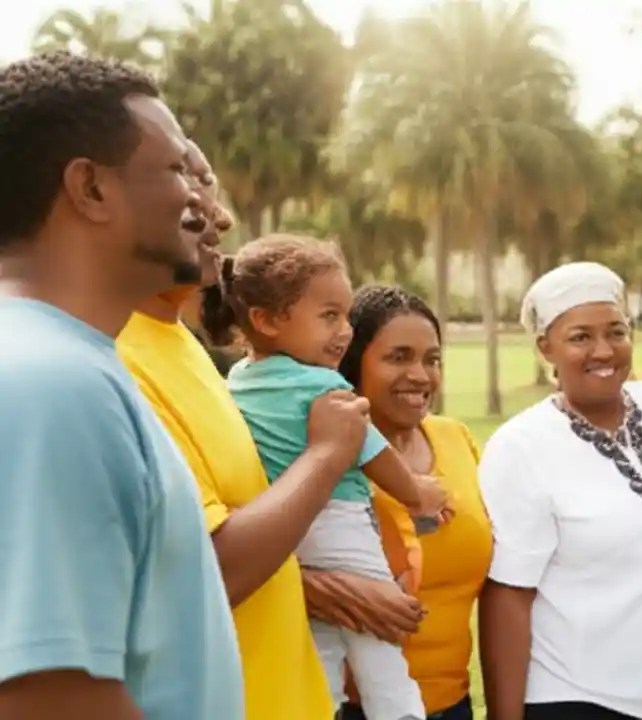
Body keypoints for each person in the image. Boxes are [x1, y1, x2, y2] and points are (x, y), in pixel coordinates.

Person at [0, 51, 242, 718]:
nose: (203, 201)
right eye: (174, 170)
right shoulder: (55, 385)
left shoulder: (58, 365)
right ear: (91, 188)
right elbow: (50, 697)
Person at [118, 144, 381, 719]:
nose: (220, 215)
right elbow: (209, 571)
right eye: (187, 180)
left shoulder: (181, 344)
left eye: (209, 185)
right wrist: (327, 455)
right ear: (96, 193)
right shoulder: (118, 360)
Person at [206, 234, 446, 720]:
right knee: (378, 635)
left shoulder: (236, 382)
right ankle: (399, 712)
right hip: (339, 521)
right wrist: (417, 492)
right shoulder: (322, 383)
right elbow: (368, 448)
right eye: (329, 316)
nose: (345, 331)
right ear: (267, 320)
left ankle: (327, 706)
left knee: (320, 639)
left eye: (345, 316)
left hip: (285, 527)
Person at [477, 262, 642, 720]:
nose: (603, 350)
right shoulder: (521, 447)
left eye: (617, 332)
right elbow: (508, 596)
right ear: (545, 347)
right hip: (577, 699)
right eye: (580, 337)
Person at [318, 284, 493, 720]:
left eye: (432, 359)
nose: (421, 375)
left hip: (453, 704)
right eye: (399, 357)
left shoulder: (456, 439)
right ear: (355, 362)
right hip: (354, 709)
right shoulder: (327, 454)